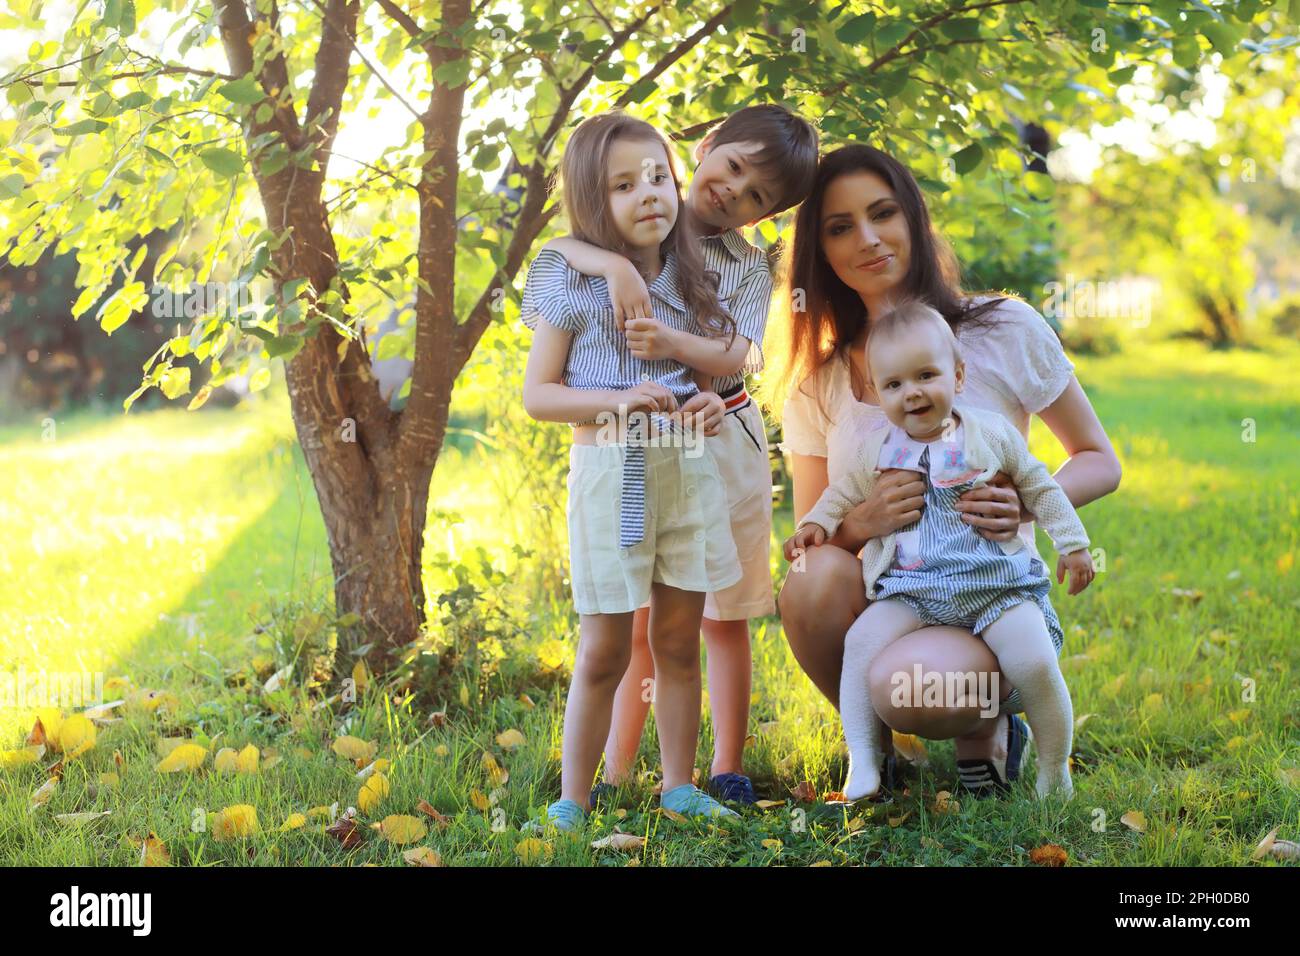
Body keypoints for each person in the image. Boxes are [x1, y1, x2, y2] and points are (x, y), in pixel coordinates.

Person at [760, 144, 1122, 797]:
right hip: (898, 592)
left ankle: (993, 731)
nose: (866, 239)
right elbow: (814, 538)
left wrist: (1024, 500)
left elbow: (1099, 459)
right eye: (840, 227)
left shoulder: (1004, 327)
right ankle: (873, 749)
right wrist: (860, 521)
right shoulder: (818, 382)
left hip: (990, 587)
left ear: (914, 219)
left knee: (920, 690)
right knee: (810, 583)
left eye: (882, 213)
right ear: (819, 250)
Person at [536, 105, 819, 804]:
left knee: (717, 615)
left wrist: (670, 348)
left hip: (718, 435)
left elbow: (742, 355)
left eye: (759, 196)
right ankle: (613, 772)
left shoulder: (744, 265)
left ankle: (716, 768)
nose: (734, 192)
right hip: (634, 451)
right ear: (707, 145)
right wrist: (610, 267)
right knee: (639, 626)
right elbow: (561, 251)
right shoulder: (629, 235)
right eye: (732, 168)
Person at [519, 111, 742, 830]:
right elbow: (538, 396)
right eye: (623, 184)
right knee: (606, 646)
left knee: (678, 639)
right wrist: (616, 400)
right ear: (593, 199)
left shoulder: (695, 274)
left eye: (658, 177)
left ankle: (678, 784)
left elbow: (710, 376)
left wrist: (708, 407)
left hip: (687, 475)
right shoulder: (570, 281)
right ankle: (572, 800)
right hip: (609, 477)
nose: (649, 194)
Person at [784, 299, 1094, 800]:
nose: (912, 393)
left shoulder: (989, 433)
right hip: (913, 591)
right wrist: (815, 525)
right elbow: (838, 496)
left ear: (959, 375)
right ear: (880, 393)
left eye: (926, 375)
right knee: (862, 643)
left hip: (996, 585)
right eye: (894, 385)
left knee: (1034, 661)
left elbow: (1040, 486)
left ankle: (1054, 768)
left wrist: (1073, 545)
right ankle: (865, 761)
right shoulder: (878, 450)